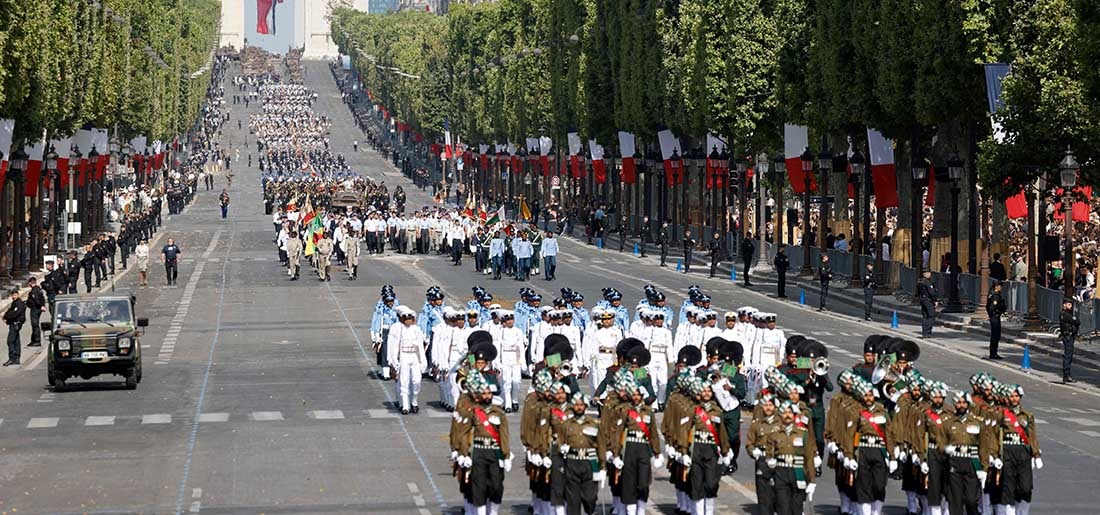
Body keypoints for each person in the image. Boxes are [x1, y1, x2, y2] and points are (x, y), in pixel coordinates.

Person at [387, 306, 426, 414]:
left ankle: (414, 401)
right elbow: (394, 346)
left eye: (410, 318)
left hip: (414, 356)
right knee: (404, 381)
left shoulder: (416, 330)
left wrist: (422, 360)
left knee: (416, 381)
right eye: (406, 319)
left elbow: (420, 347)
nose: (408, 321)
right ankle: (405, 406)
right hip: (404, 355)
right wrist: (394, 361)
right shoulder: (398, 329)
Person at [3, 289, 26, 366]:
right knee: (16, 340)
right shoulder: (14, 303)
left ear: (18, 295)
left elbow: (14, 314)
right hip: (13, 323)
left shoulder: (19, 304)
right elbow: (9, 311)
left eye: (15, 295)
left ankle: (12, 358)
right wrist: (5, 316)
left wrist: (6, 316)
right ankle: (16, 358)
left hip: (16, 323)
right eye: (12, 295)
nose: (13, 297)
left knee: (10, 341)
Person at [1059, 299, 1079, 383]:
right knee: (1068, 356)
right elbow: (1077, 321)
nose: (1070, 306)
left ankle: (1067, 375)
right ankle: (1066, 375)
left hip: (1068, 336)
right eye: (1069, 305)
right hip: (1068, 336)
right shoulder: (1066, 315)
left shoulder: (1063, 314)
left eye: (1071, 305)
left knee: (1068, 355)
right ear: (1064, 305)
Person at [987, 282, 1006, 359]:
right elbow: (992, 308)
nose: (1001, 288)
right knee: (995, 335)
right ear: (997, 287)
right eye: (1000, 286)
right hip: (995, 317)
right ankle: (993, 353)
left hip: (995, 316)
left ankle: (994, 352)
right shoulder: (995, 296)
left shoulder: (992, 294)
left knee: (996, 335)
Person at [26, 277, 46, 348]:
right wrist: (43, 305)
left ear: (30, 283)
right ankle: (33, 340)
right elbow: (42, 298)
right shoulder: (39, 289)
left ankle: (37, 340)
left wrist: (40, 306)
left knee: (35, 324)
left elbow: (36, 299)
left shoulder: (34, 291)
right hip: (38, 308)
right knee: (35, 324)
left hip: (35, 309)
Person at [917, 271, 938, 337]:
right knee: (931, 316)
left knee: (925, 316)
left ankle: (924, 331)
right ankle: (928, 332)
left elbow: (918, 292)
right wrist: (935, 300)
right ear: (925, 274)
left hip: (923, 300)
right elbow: (931, 293)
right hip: (928, 301)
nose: (930, 274)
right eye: (928, 273)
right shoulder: (928, 282)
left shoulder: (920, 282)